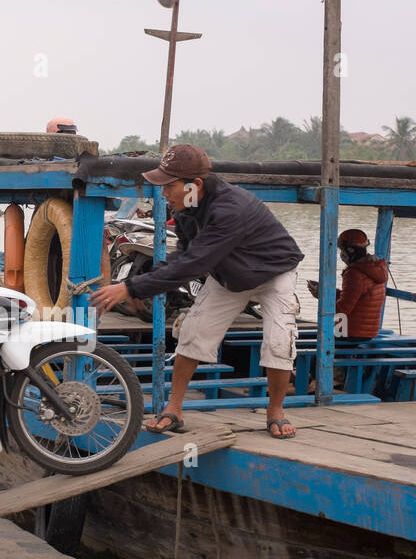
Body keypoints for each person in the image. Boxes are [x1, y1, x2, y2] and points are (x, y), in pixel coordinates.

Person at [91, 145, 305, 439]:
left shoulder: (230, 209)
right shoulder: (186, 210)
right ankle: (174, 409)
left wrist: (130, 287)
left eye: (169, 186)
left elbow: (193, 264)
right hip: (230, 275)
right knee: (192, 331)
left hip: (274, 274)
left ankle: (276, 411)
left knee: (279, 342)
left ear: (195, 185)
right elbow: (184, 255)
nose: (163, 193)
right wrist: (137, 285)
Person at [306, 229, 388, 340]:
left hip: (351, 333)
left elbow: (341, 310)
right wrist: (328, 291)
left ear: (350, 250)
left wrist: (322, 297)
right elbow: (354, 298)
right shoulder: (374, 268)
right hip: (367, 332)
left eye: (342, 250)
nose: (341, 254)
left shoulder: (354, 274)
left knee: (307, 340)